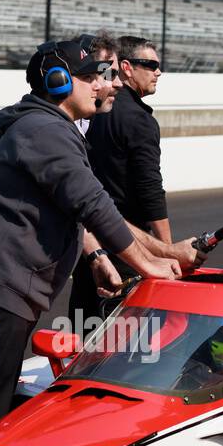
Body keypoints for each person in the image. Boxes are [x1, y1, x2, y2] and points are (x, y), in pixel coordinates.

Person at [0, 38, 183, 443]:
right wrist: (149, 265)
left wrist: (115, 255)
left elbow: (84, 209)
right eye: (95, 77)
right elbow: (94, 204)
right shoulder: (44, 129)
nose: (109, 84)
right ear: (59, 81)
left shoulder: (49, 126)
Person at [72, 35, 173, 320]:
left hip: (89, 242)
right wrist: (167, 251)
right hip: (126, 245)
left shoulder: (91, 111)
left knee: (84, 332)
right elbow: (151, 190)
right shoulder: (140, 120)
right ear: (127, 67)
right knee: (127, 345)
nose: (158, 71)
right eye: (150, 64)